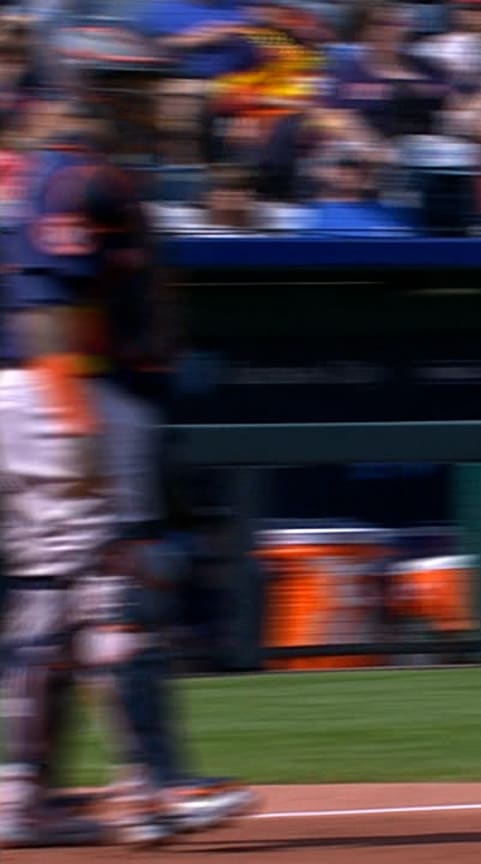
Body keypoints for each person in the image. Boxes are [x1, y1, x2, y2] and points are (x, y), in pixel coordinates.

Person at [0, 43, 253, 849]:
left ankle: (24, 795)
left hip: (64, 394)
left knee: (54, 602)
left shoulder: (87, 175)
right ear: (101, 92)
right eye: (146, 89)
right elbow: (46, 310)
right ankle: (158, 789)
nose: (166, 104)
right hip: (62, 393)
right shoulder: (73, 176)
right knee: (117, 589)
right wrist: (75, 425)